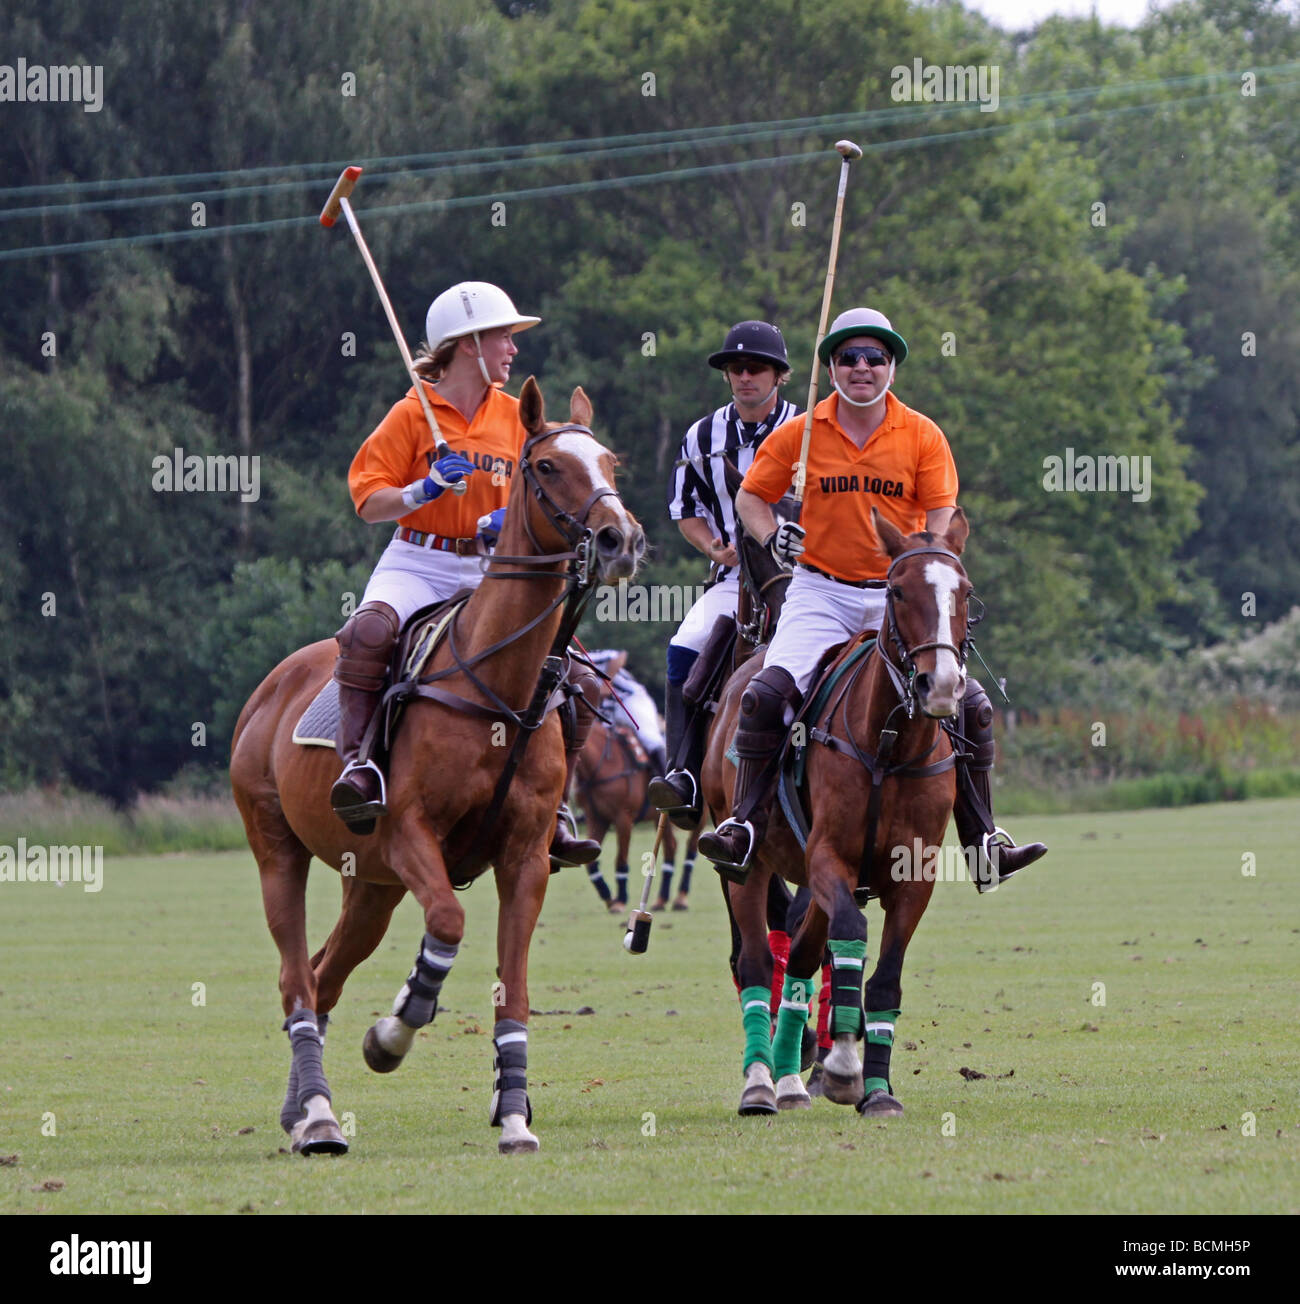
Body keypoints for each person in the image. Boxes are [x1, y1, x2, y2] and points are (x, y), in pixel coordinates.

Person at [697, 307, 1046, 888]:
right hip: (820, 591)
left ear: (891, 367)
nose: (861, 367)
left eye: (874, 357)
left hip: (896, 596)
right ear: (831, 366)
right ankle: (744, 825)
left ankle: (983, 840)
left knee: (971, 705)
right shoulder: (801, 433)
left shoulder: (922, 435)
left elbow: (941, 522)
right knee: (763, 695)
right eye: (848, 357)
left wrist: (925, 567)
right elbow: (751, 499)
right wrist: (769, 533)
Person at [329, 280, 600, 866]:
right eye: (504, 336)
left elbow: (539, 492)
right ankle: (360, 767)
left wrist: (504, 518)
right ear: (468, 344)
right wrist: (422, 489)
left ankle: (556, 805)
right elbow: (367, 500)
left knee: (579, 672)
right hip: (418, 559)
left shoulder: (516, 419)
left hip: (490, 567)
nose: (513, 348)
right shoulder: (411, 414)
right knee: (368, 633)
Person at [647, 321, 801, 827]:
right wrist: (710, 544)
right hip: (734, 579)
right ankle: (685, 774)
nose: (744, 377)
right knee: (684, 647)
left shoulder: (811, 427)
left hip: (808, 578)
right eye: (736, 368)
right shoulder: (701, 436)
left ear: (780, 375)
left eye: (756, 367)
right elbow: (684, 507)